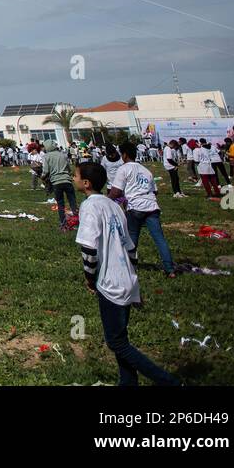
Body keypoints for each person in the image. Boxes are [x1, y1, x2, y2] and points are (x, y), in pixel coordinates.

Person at [75, 161, 179, 386]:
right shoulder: (114, 206)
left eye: (75, 175)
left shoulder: (90, 207)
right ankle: (128, 383)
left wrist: (89, 278)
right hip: (127, 278)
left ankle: (169, 382)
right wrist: (135, 282)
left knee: (116, 342)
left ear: (86, 183)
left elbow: (89, 248)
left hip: (109, 282)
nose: (72, 178)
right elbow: (131, 248)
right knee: (121, 337)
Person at [109, 145, 174, 277]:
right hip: (152, 206)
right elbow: (155, 190)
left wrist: (106, 200)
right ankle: (170, 269)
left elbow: (115, 191)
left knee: (132, 238)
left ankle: (130, 267)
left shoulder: (124, 169)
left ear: (125, 155)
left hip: (135, 207)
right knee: (160, 239)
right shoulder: (145, 170)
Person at [40, 140, 77, 230]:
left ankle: (63, 224)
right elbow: (68, 168)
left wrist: (42, 177)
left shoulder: (46, 156)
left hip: (56, 182)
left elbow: (46, 171)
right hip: (67, 181)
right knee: (73, 202)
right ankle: (77, 221)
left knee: (60, 204)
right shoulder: (62, 154)